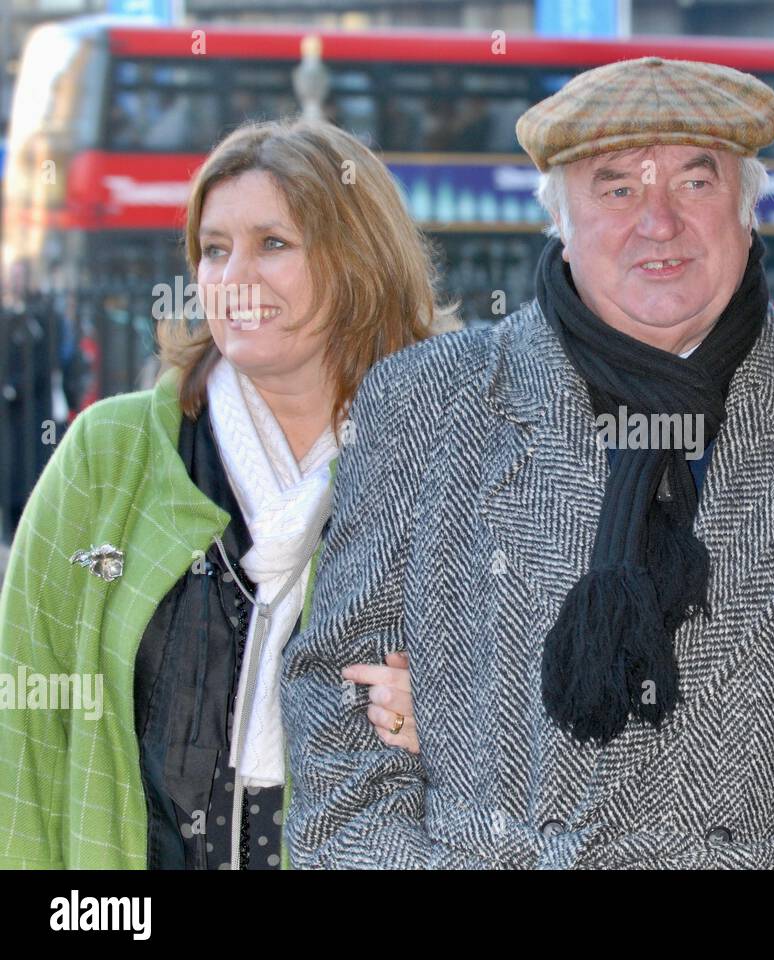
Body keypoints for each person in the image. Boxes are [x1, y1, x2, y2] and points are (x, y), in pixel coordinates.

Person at [283, 56, 774, 869]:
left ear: (748, 209)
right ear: (559, 221)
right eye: (616, 187)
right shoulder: (425, 405)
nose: (659, 222)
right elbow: (334, 708)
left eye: (695, 181)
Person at [0, 118, 455, 869]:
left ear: (359, 260)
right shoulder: (109, 455)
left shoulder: (451, 464)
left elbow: (542, 748)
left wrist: (443, 720)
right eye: (214, 250)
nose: (233, 276)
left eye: (272, 244)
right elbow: (24, 730)